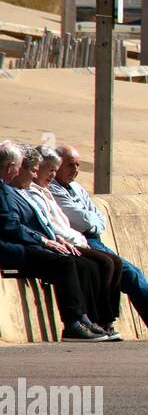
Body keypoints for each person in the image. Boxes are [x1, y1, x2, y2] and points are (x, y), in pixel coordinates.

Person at [49, 144, 148, 341]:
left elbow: (98, 218)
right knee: (127, 272)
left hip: (92, 238)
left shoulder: (76, 188)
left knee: (130, 272)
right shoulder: (52, 188)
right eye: (70, 165)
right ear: (56, 166)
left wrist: (92, 222)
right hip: (79, 240)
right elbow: (82, 220)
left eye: (78, 165)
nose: (75, 170)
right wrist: (92, 222)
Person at [0, 141, 112, 341]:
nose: (21, 173)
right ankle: (73, 323)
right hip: (9, 249)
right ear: (10, 168)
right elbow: (10, 226)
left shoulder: (7, 189)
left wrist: (50, 240)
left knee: (87, 262)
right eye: (19, 168)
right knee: (65, 263)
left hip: (22, 244)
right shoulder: (5, 190)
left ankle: (84, 319)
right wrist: (43, 241)